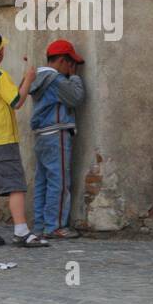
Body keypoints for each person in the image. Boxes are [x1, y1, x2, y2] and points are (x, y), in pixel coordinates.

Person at [0, 30, 47, 248]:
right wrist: (30, 79)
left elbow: (9, 95)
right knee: (15, 185)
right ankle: (21, 230)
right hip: (2, 137)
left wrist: (23, 81)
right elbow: (16, 101)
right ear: (1, 52)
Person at [29, 39, 86, 240]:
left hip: (41, 136)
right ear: (62, 61)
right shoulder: (56, 80)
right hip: (57, 133)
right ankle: (56, 226)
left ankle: (40, 224)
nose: (72, 68)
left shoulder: (38, 77)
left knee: (42, 182)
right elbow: (76, 98)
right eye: (71, 64)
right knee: (59, 181)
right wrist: (74, 78)